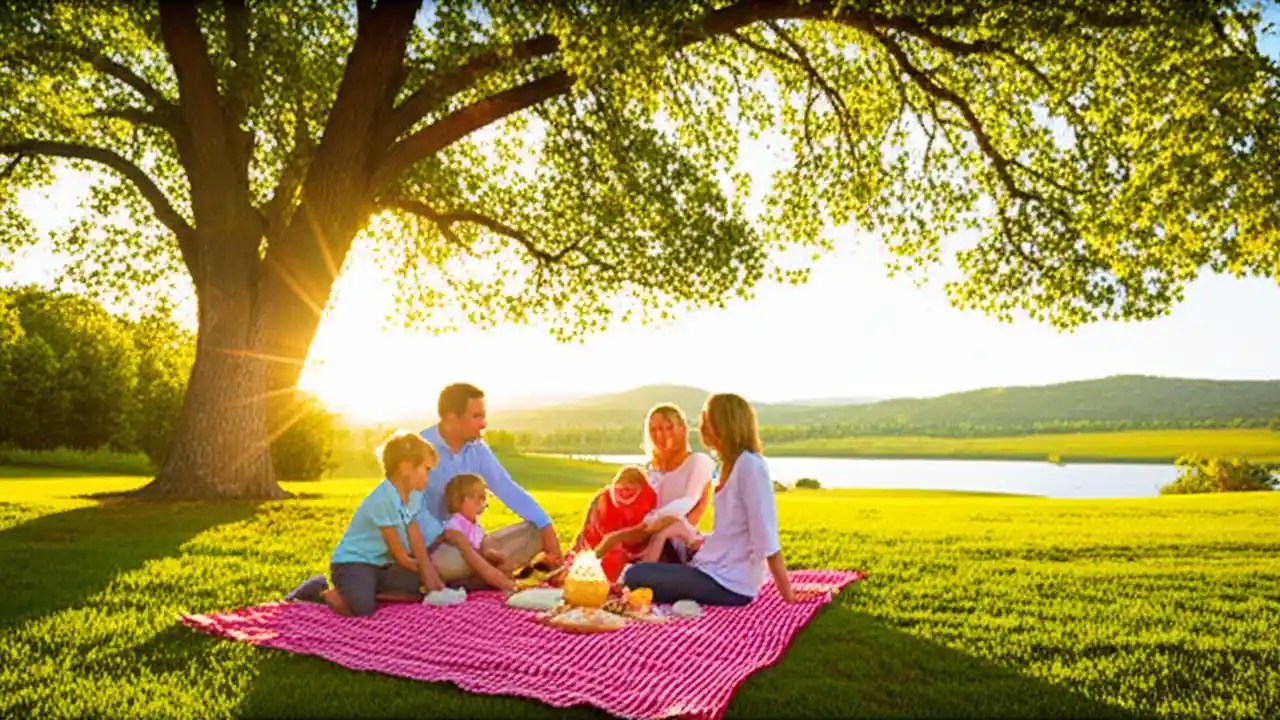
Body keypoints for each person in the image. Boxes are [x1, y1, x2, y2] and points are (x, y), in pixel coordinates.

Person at [620, 394, 803, 605]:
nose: (701, 426)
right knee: (635, 570)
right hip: (712, 567)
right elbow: (730, 531)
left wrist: (787, 595)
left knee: (635, 576)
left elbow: (766, 538)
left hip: (730, 583)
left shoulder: (750, 466)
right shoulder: (728, 464)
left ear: (725, 424)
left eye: (707, 420)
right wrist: (699, 540)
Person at [284, 431, 445, 616]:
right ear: (406, 468)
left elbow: (413, 530)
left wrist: (428, 568)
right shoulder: (382, 499)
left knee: (417, 586)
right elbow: (401, 557)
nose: (429, 475)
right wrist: (427, 572)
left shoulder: (414, 493)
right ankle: (319, 589)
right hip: (354, 562)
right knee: (362, 608)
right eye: (426, 469)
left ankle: (369, 588)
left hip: (381, 565)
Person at [417, 383, 563, 585]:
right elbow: (404, 509)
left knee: (535, 531)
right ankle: (483, 573)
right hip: (435, 547)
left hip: (474, 543)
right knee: (448, 563)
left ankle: (481, 572)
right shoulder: (419, 448)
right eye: (476, 416)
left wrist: (546, 527)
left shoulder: (477, 449)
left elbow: (507, 488)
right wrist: (448, 536)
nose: (484, 423)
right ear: (452, 418)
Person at [587, 403, 714, 564]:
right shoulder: (651, 469)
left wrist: (643, 526)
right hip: (638, 537)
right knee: (601, 501)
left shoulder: (698, 462)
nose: (660, 435)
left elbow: (686, 503)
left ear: (682, 429)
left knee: (615, 545)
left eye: (668, 428)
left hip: (670, 543)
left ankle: (593, 561)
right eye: (654, 430)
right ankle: (581, 561)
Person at [571, 466, 658, 582]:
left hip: (629, 554)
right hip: (598, 551)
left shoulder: (649, 498)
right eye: (623, 482)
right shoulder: (603, 499)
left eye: (632, 483)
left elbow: (646, 532)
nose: (626, 490)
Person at [432, 473, 515, 591]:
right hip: (458, 565)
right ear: (459, 500)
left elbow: (479, 548)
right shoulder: (455, 523)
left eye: (484, 498)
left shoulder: (476, 528)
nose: (483, 502)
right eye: (479, 497)